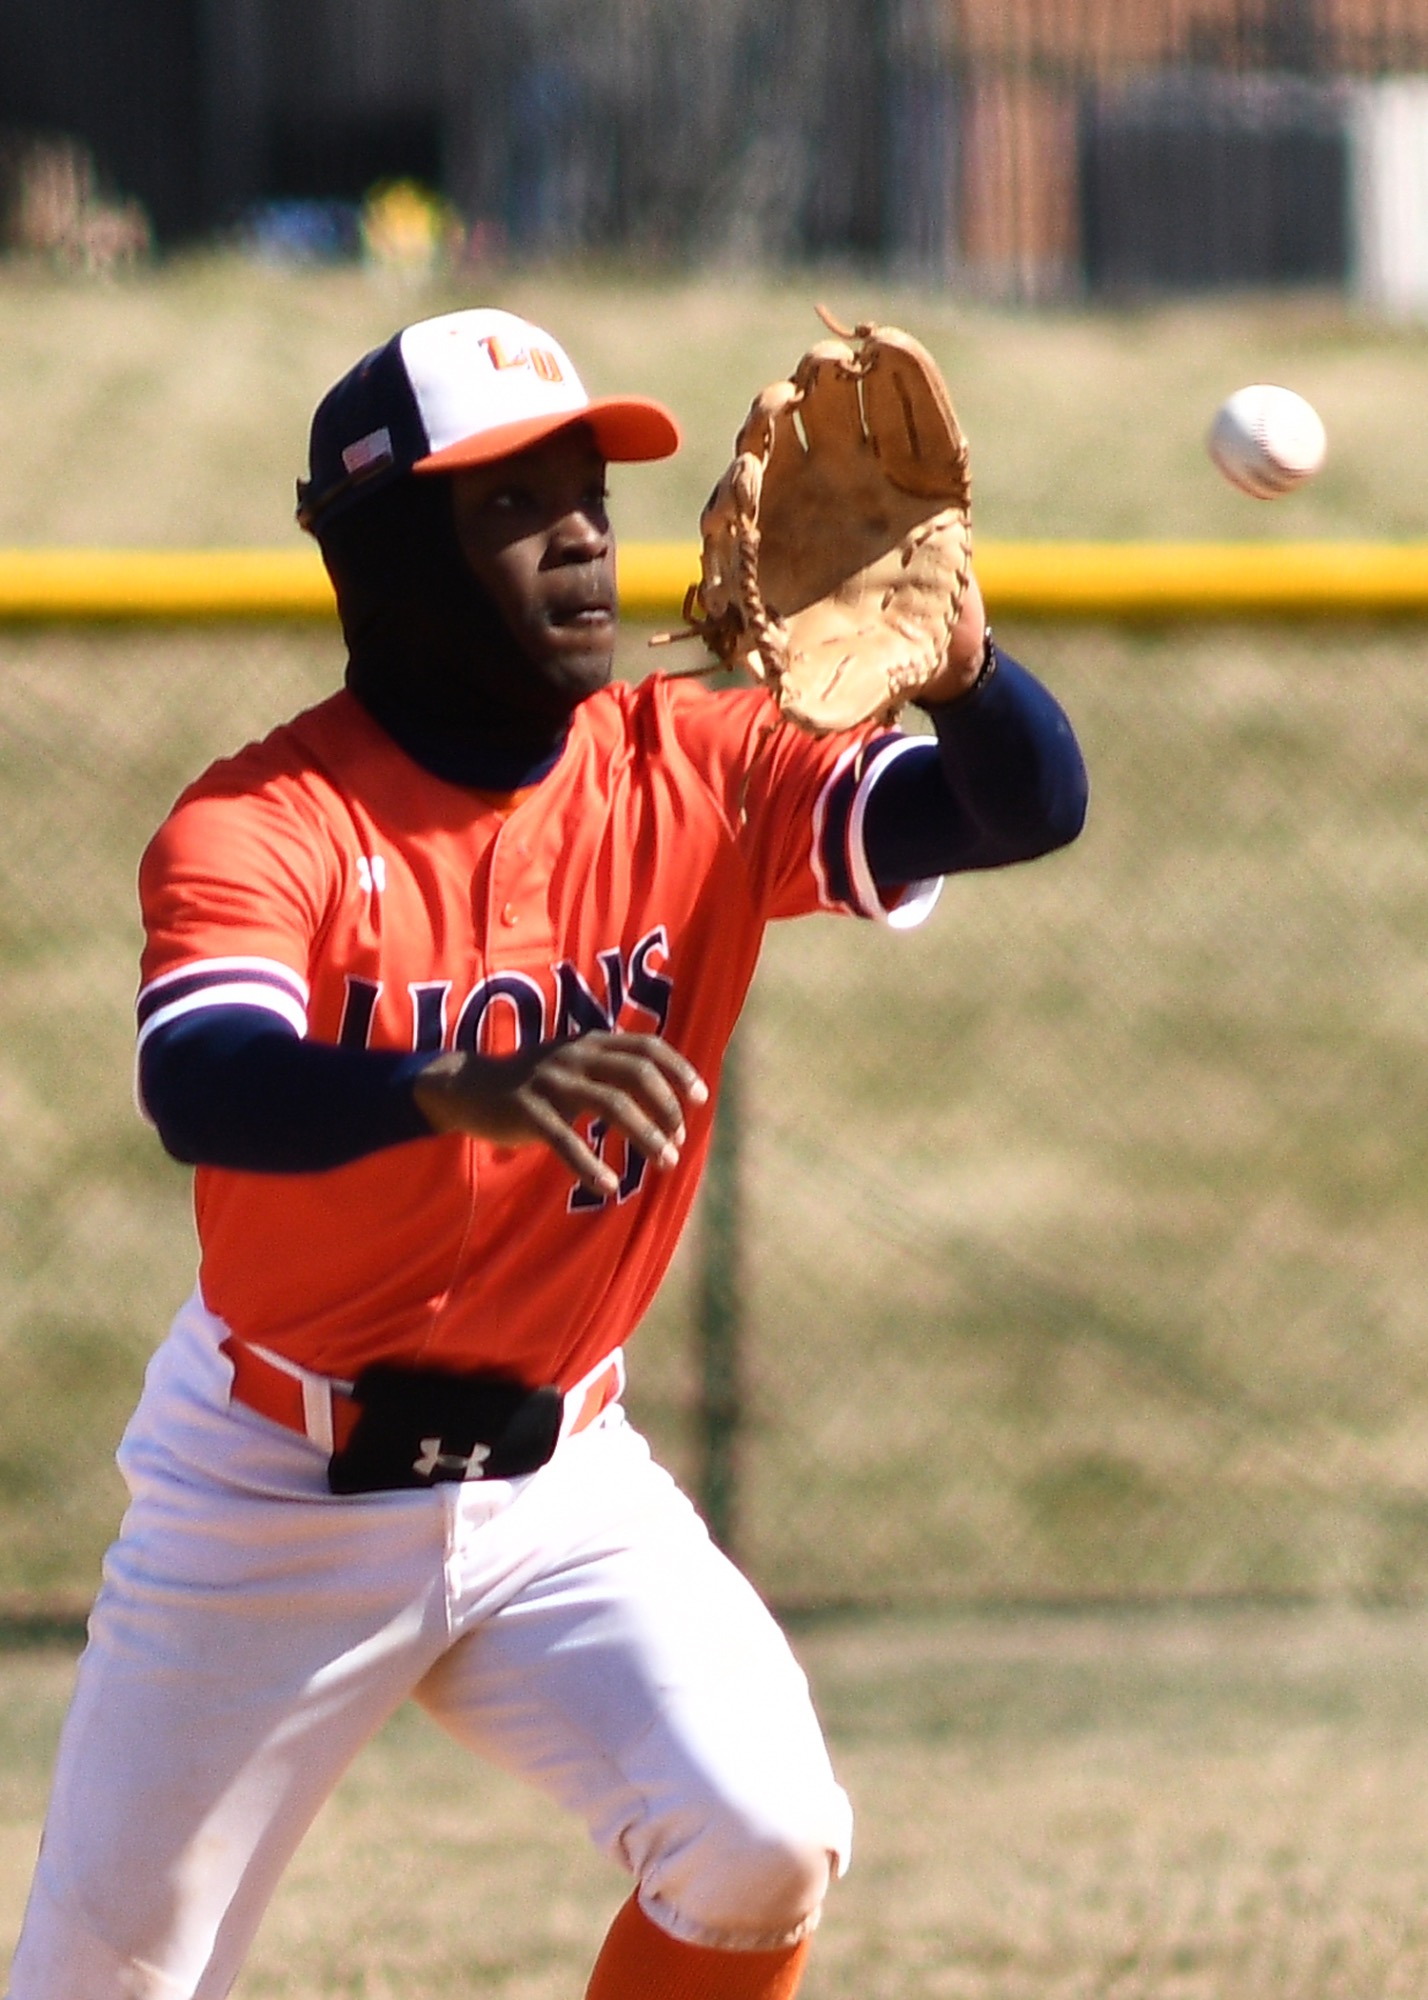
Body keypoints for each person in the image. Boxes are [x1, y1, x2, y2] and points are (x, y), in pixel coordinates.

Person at [6, 307, 1088, 2000]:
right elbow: (203, 1079)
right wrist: (442, 1086)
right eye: (515, 501)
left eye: (590, 488)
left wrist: (967, 669)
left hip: (558, 1481)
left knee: (760, 1833)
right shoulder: (265, 821)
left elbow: (1023, 807)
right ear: (388, 556)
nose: (583, 529)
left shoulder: (701, 762)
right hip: (271, 1488)